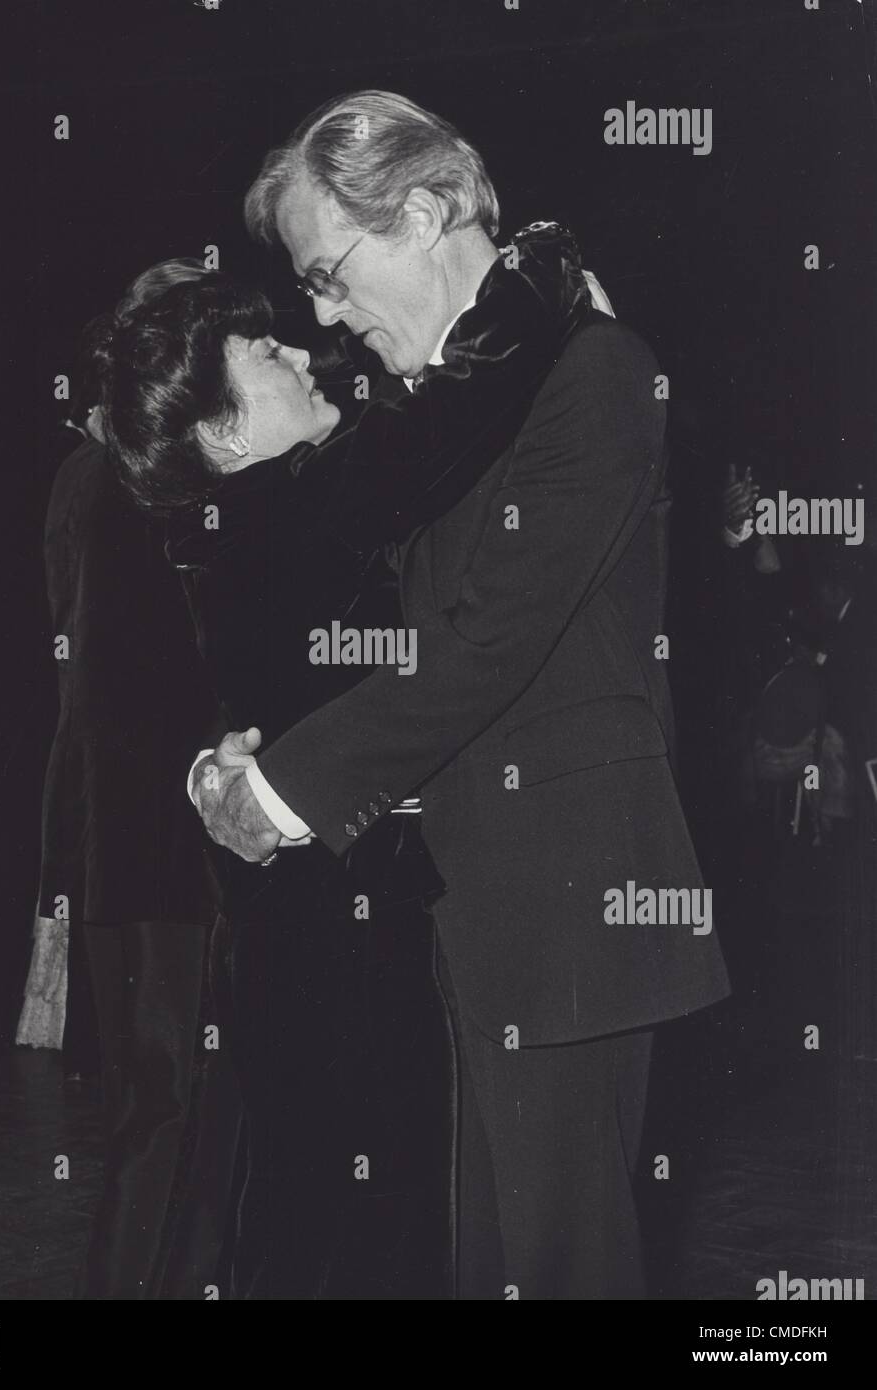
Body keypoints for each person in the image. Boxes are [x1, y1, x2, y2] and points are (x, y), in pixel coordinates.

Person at [191, 90, 731, 1299]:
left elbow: (488, 643)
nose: (322, 315)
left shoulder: (595, 373)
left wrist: (283, 792)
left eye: (327, 275)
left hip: (573, 907)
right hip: (485, 911)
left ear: (425, 211)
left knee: (560, 1268)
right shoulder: (449, 414)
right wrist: (235, 750)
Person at [103, 229, 590, 1297]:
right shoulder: (291, 504)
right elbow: (450, 416)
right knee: (360, 1203)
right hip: (339, 920)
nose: (304, 356)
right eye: (266, 359)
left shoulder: (226, 523)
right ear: (222, 432)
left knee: (303, 1193)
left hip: (297, 908)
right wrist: (536, 278)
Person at [35, 262, 225, 1298]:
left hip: (115, 829)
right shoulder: (141, 484)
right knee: (164, 1103)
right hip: (157, 834)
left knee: (151, 1103)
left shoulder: (92, 475)